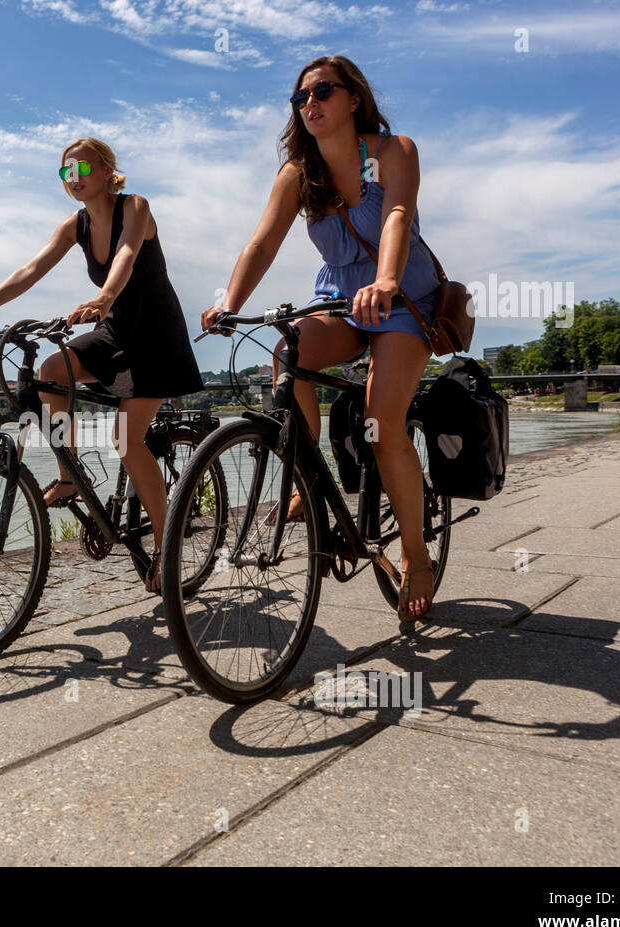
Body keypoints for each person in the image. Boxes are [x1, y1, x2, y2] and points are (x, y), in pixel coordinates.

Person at [201, 55, 442, 622]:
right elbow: (261, 245)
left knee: (383, 425)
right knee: (290, 350)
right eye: (300, 98)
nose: (310, 103)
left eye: (323, 92)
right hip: (339, 298)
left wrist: (385, 278)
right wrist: (228, 304)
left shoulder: (391, 152)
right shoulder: (297, 173)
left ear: (353, 97)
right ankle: (311, 481)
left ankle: (415, 555)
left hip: (402, 296)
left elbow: (397, 216)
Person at [0, 137, 203, 593]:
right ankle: (70, 476)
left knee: (127, 438)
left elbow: (126, 255)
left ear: (108, 170)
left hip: (156, 335)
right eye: (67, 172)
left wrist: (104, 296)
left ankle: (167, 550)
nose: (75, 178)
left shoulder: (136, 206)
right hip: (116, 328)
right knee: (51, 371)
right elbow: (32, 268)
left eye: (84, 168)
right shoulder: (76, 225)